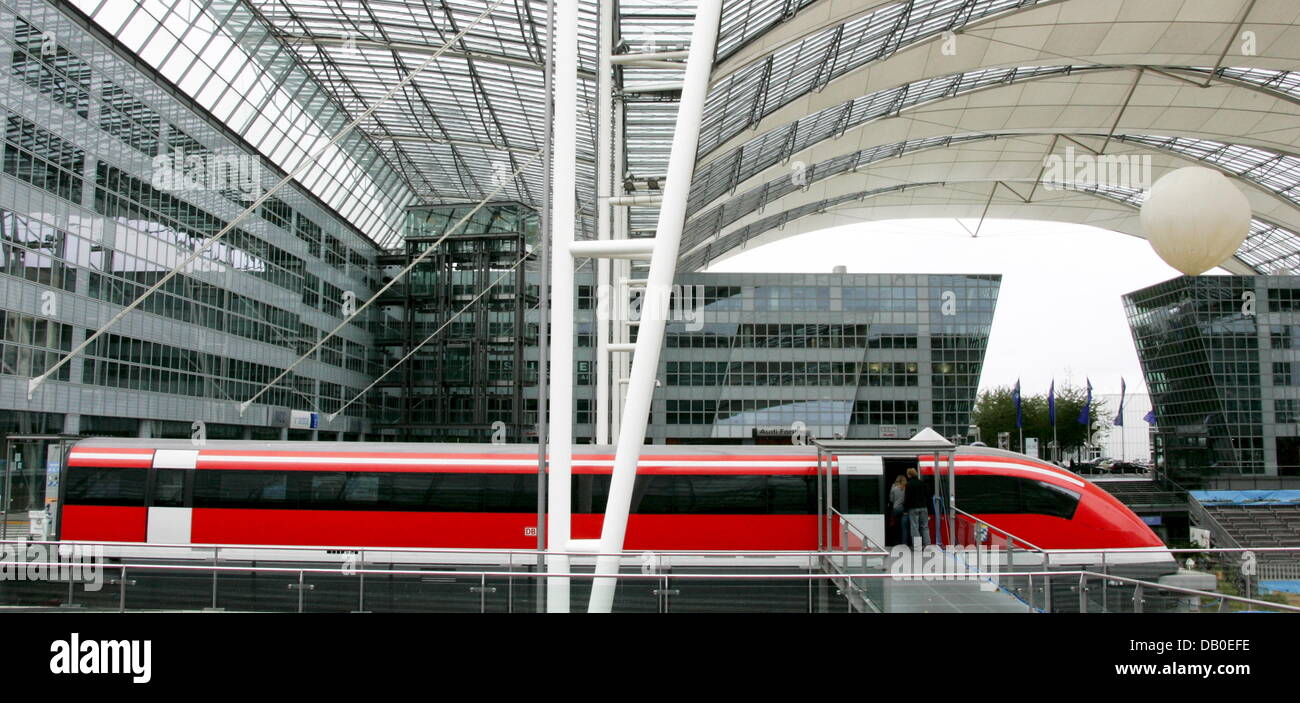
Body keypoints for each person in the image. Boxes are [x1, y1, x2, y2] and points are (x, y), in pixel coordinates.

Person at [902, 467, 932, 549]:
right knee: (925, 527)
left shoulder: (908, 485)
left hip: (913, 508)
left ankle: (918, 546)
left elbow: (907, 498)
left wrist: (905, 509)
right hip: (924, 507)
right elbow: (928, 496)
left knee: (914, 527)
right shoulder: (922, 483)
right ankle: (927, 545)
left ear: (909, 475)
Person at [888, 475, 908, 545]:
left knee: (894, 526)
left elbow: (891, 499)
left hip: (896, 509)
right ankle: (904, 543)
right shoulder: (906, 488)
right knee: (904, 527)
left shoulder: (894, 488)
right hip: (904, 510)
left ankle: (894, 542)